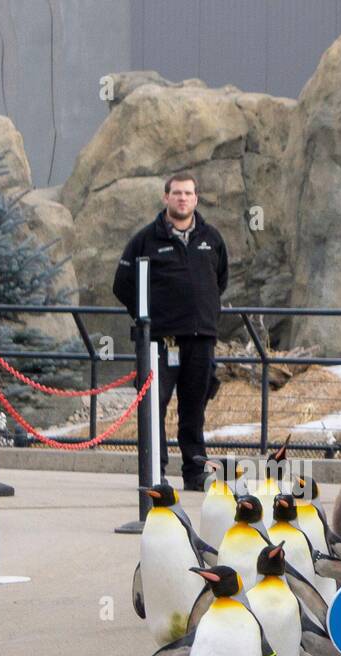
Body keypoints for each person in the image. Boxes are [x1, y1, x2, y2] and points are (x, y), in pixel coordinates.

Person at [113, 172, 228, 491]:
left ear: (196, 198)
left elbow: (220, 280)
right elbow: (122, 285)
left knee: (194, 408)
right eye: (176, 193)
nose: (182, 198)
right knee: (155, 405)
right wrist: (149, 316)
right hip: (158, 342)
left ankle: (196, 471)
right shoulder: (145, 240)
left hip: (200, 339)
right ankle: (155, 472)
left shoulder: (212, 238)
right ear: (166, 198)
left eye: (188, 193)